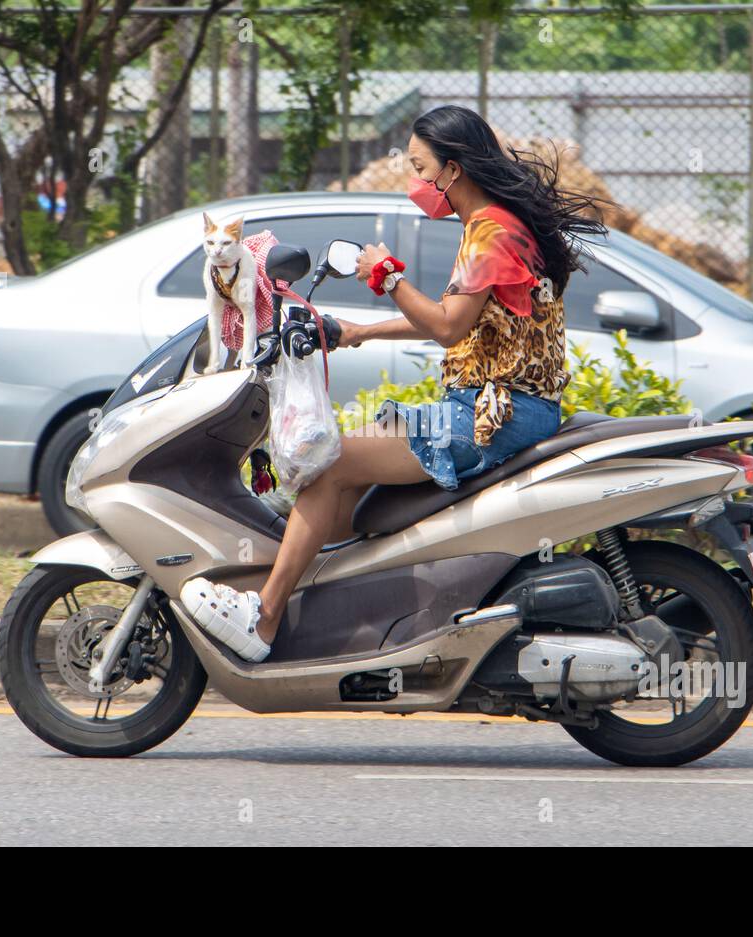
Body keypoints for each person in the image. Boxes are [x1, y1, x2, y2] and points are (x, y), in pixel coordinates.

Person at [180, 104, 609, 661]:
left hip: (489, 414)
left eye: (420, 167)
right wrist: (359, 332)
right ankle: (329, 624)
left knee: (329, 464)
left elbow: (449, 327)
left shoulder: (491, 233)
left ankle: (263, 621)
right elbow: (457, 316)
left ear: (453, 170)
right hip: (501, 406)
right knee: (351, 469)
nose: (416, 182)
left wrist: (386, 275)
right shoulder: (496, 224)